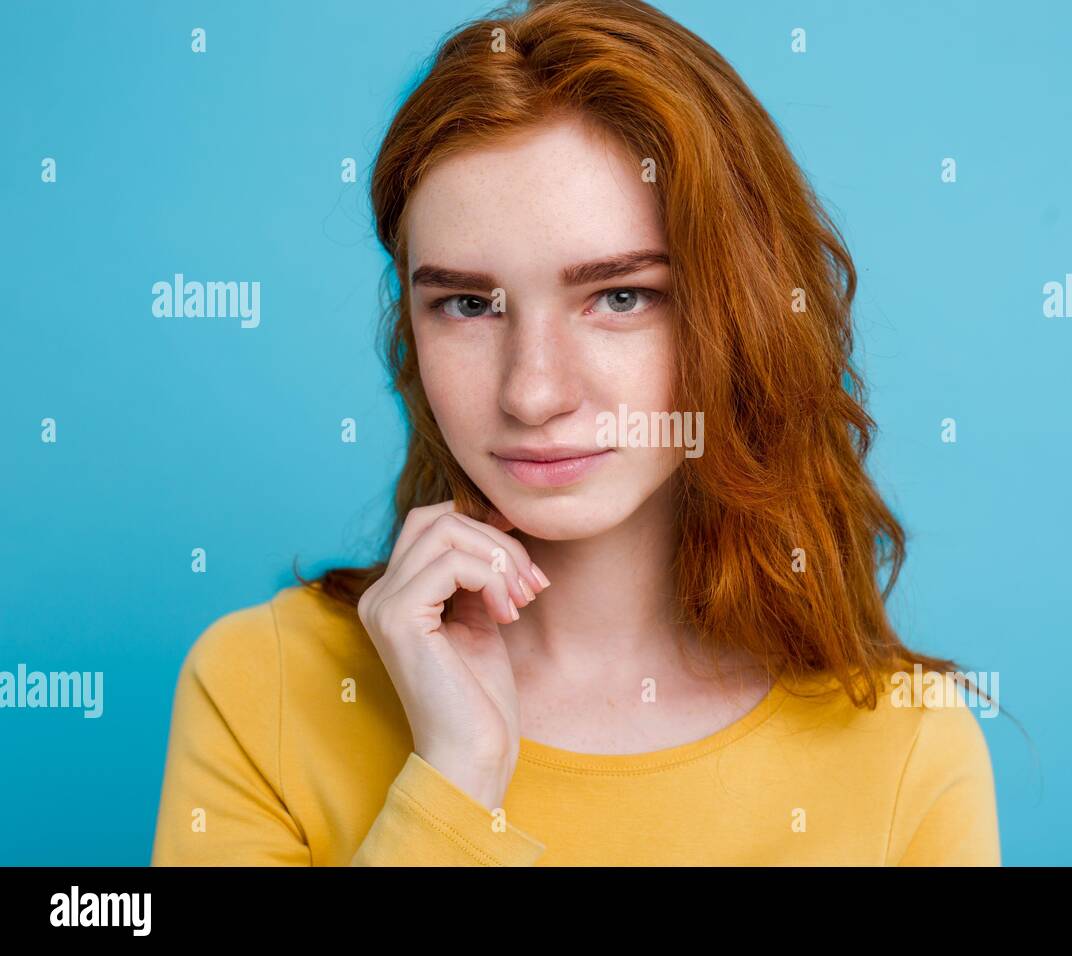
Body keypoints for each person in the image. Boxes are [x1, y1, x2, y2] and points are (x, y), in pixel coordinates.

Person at [151, 0, 1001, 866]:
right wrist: (453, 782)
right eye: (468, 304)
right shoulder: (265, 689)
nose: (533, 392)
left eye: (620, 297)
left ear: (741, 314)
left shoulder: (904, 749)